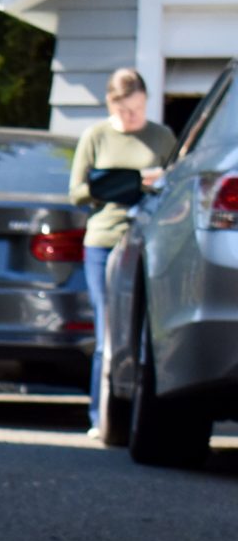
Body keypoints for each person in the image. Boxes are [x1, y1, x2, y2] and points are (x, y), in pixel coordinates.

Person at [69, 68, 177, 438]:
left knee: (143, 330)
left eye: (138, 110)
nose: (131, 118)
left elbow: (176, 183)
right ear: (110, 105)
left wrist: (153, 182)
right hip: (103, 240)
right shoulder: (96, 136)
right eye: (124, 111)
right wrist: (112, 185)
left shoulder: (161, 137)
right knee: (107, 331)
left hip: (145, 239)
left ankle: (141, 417)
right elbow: (76, 192)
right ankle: (101, 417)